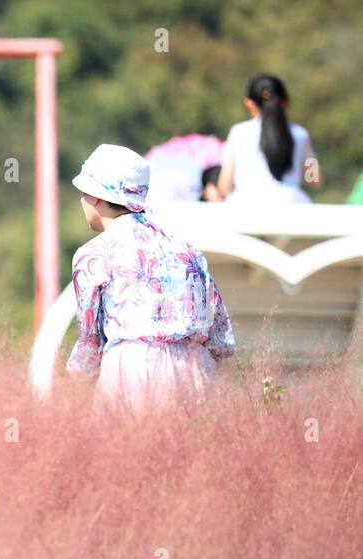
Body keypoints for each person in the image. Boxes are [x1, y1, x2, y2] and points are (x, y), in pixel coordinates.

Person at [66, 144, 235, 414]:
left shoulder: (93, 254)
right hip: (195, 372)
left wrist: (73, 383)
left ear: (95, 196)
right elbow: (221, 338)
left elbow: (90, 342)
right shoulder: (188, 249)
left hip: (131, 372)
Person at [217, 75, 318, 205]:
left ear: (249, 103)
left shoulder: (238, 132)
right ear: (286, 101)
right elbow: (314, 178)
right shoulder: (300, 134)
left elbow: (224, 185)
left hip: (245, 205)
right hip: (292, 205)